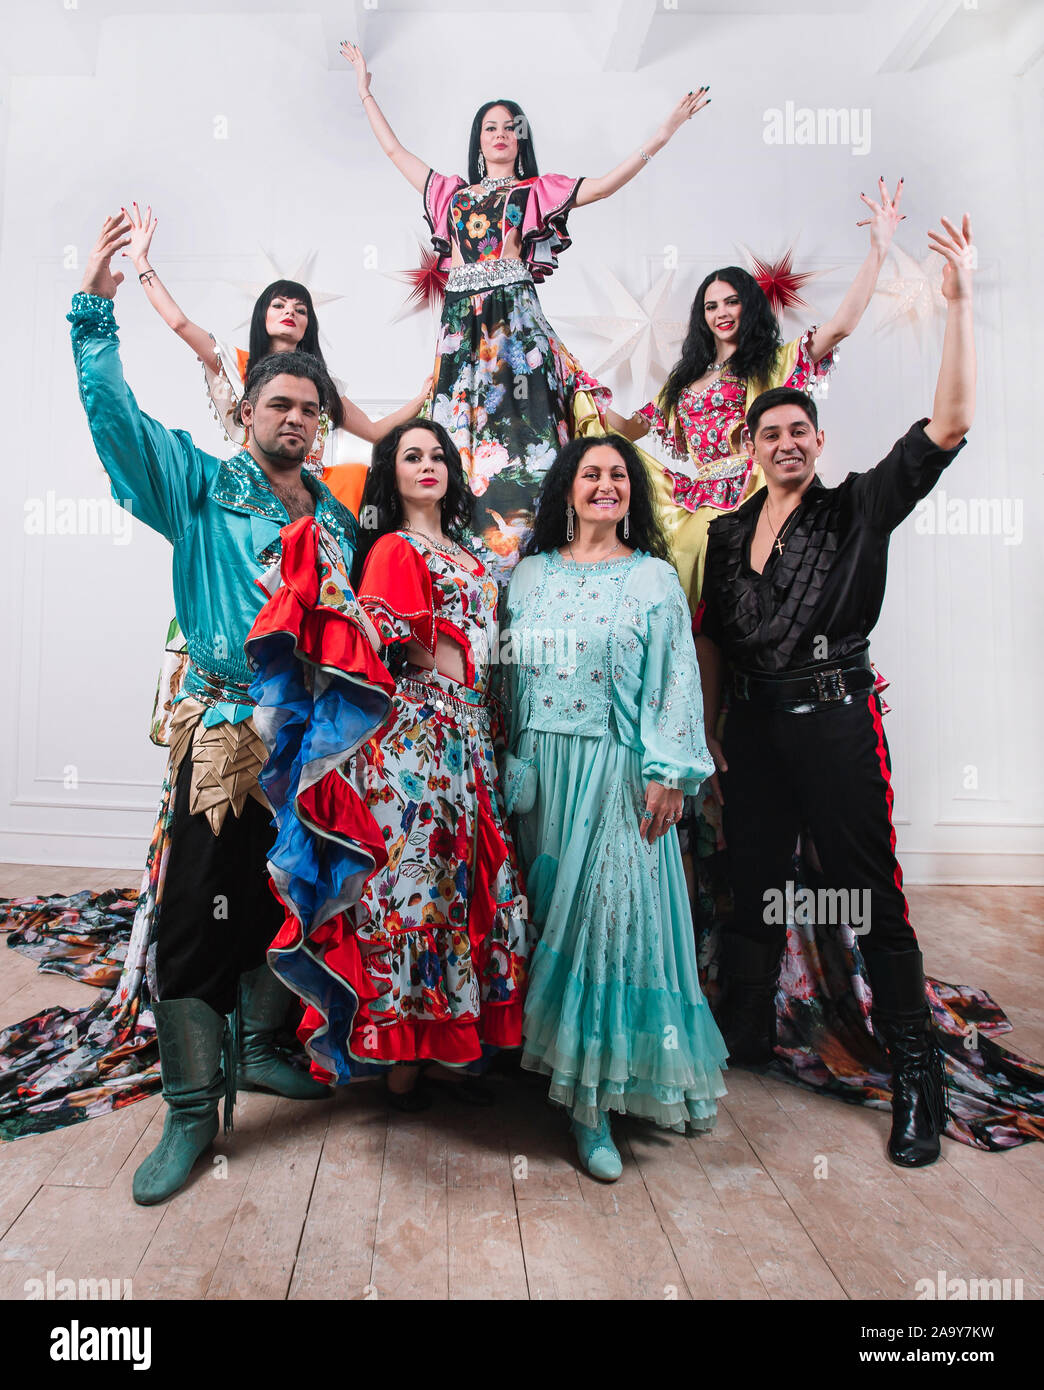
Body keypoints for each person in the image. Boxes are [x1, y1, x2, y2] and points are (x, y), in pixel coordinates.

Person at [68, 214, 391, 1205]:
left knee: (273, 900)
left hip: (309, 748)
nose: (295, 419)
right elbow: (116, 419)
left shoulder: (331, 519)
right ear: (247, 408)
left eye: (310, 410)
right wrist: (96, 307)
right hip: (222, 735)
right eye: (280, 403)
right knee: (195, 922)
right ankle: (187, 1112)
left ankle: (258, 1046)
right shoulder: (202, 488)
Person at [693, 214, 977, 1168]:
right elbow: (716, 643)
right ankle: (739, 1038)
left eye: (798, 430)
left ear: (817, 439)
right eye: (768, 431)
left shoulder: (859, 505)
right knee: (754, 889)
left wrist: (959, 303)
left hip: (838, 723)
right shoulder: (727, 537)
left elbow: (949, 427)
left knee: (870, 896)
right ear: (749, 445)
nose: (784, 442)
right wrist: (710, 731)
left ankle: (916, 1078)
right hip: (755, 734)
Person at [341, 38, 711, 582]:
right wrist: (365, 93)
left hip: (515, 327)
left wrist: (664, 132)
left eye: (511, 126)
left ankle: (537, 552)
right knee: (458, 433)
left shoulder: (536, 191)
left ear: (521, 139)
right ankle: (461, 558)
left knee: (529, 434)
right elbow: (397, 154)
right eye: (491, 126)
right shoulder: (450, 195)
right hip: (462, 334)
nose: (500, 133)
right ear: (478, 141)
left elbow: (605, 186)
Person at [245, 420, 533, 1110]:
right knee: (416, 887)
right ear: (392, 474)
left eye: (438, 456)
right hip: (415, 742)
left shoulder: (467, 553)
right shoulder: (393, 550)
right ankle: (398, 1058)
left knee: (462, 885)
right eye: (412, 456)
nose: (428, 465)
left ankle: (439, 1045)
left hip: (468, 742)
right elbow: (378, 647)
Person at [120, 202, 430, 744]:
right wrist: (143, 263)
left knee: (358, 480)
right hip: (246, 520)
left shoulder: (322, 389)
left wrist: (432, 388)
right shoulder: (237, 365)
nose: (290, 312)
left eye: (301, 307)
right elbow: (178, 322)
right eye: (279, 303)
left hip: (310, 516)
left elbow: (379, 431)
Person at [504, 435, 728, 1181]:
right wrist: (506, 760)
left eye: (619, 476)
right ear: (567, 487)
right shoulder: (528, 575)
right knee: (541, 920)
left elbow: (677, 682)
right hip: (540, 775)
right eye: (592, 474)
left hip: (616, 773)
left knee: (607, 925)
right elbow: (505, 676)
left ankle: (591, 1102)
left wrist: (669, 768)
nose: (607, 485)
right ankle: (540, 1063)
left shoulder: (653, 579)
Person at [609, 179, 903, 610]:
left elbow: (839, 326)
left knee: (759, 594)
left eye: (730, 302)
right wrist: (572, 384)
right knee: (688, 589)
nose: (721, 313)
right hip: (698, 504)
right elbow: (622, 430)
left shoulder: (773, 364)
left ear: (747, 305)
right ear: (701, 316)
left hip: (758, 491)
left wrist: (878, 247)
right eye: (711, 307)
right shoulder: (680, 387)